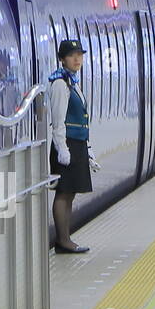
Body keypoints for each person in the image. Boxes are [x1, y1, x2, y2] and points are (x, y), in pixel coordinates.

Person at [47, 37, 100, 254]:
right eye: (71, 55)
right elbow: (58, 120)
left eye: (80, 55)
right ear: (62, 59)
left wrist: (86, 148)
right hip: (66, 145)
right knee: (64, 193)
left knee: (70, 193)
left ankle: (66, 237)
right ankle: (63, 240)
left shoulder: (72, 82)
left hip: (77, 144)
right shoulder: (60, 84)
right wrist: (62, 149)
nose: (77, 59)